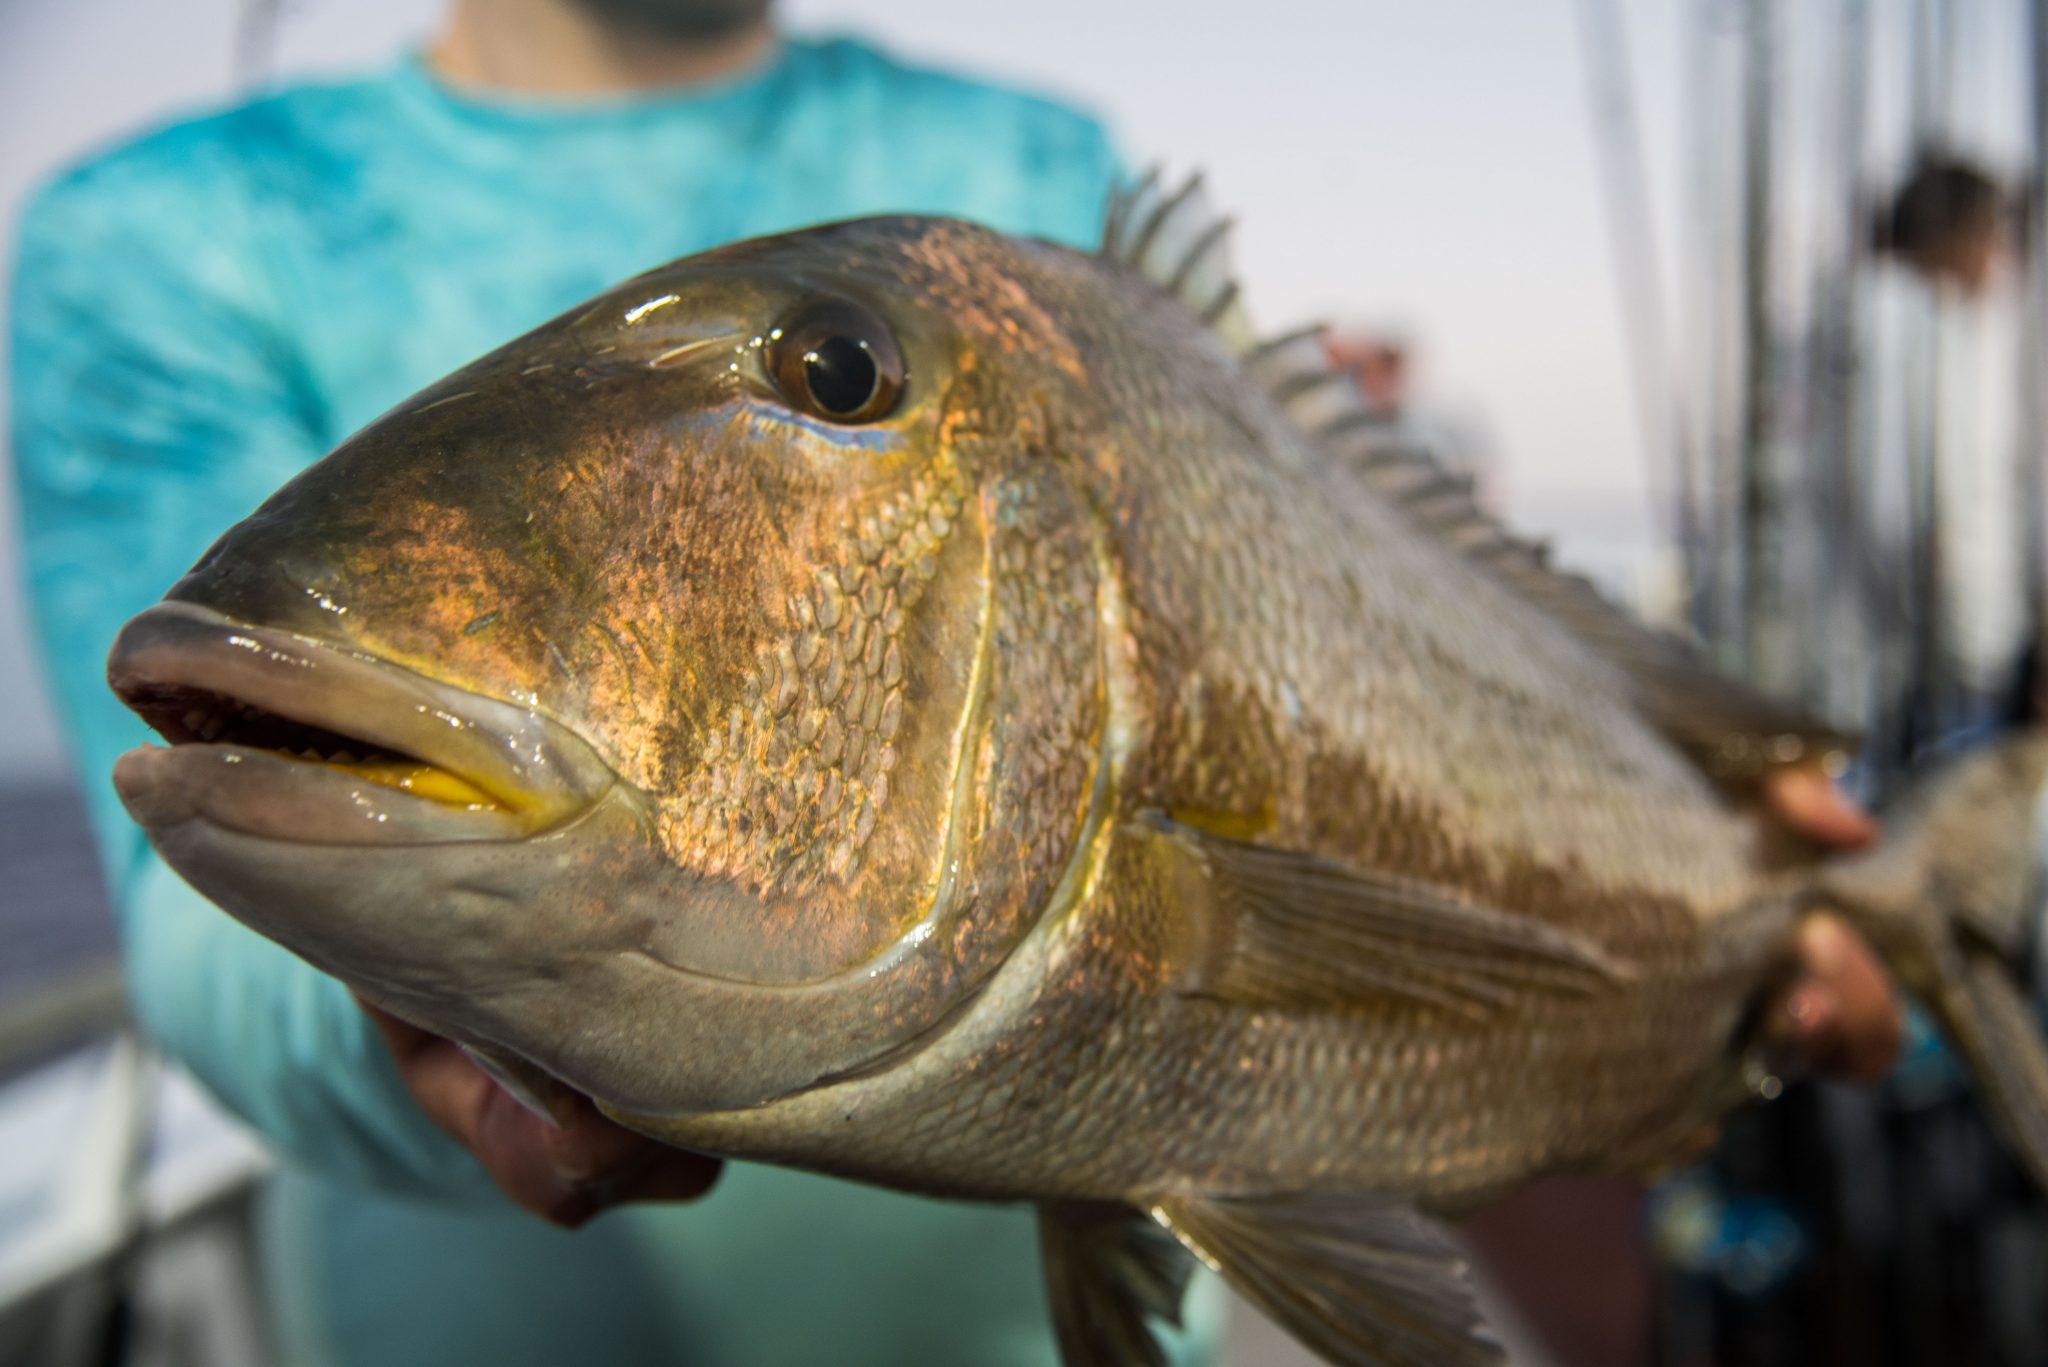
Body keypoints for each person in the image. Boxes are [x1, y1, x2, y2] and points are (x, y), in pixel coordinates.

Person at [10, 2, 1902, 1362]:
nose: (837, 384)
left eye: (838, 385)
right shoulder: (157, 236)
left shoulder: (1030, 174)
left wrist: (1732, 891)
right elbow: (193, 829)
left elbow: (1340, 613)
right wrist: (408, 1021)